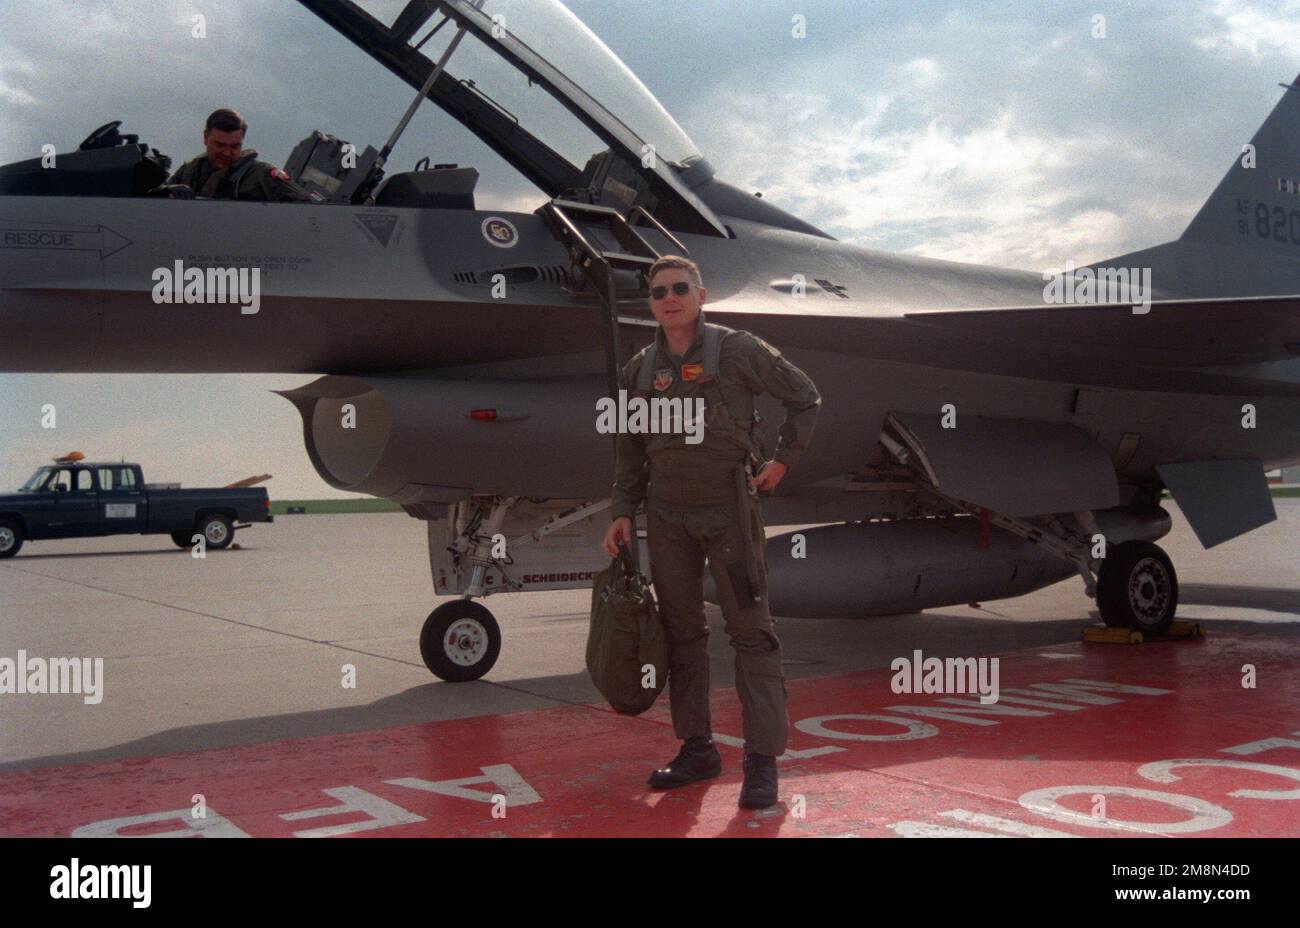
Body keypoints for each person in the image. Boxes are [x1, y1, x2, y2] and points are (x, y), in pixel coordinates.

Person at [600, 255, 821, 808]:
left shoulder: (738, 349)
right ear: (650, 304)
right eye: (658, 293)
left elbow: (805, 397)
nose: (669, 298)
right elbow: (630, 449)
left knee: (751, 634)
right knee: (681, 634)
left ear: (700, 294)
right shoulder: (639, 369)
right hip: (667, 517)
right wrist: (623, 509)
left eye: (679, 288)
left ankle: (762, 761)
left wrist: (783, 461)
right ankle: (698, 748)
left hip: (729, 514)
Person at [149, 108, 316, 202]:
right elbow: (151, 199)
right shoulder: (189, 171)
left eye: (234, 146)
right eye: (220, 145)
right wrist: (168, 191)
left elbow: (306, 205)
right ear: (206, 138)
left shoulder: (262, 174)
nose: (227, 152)